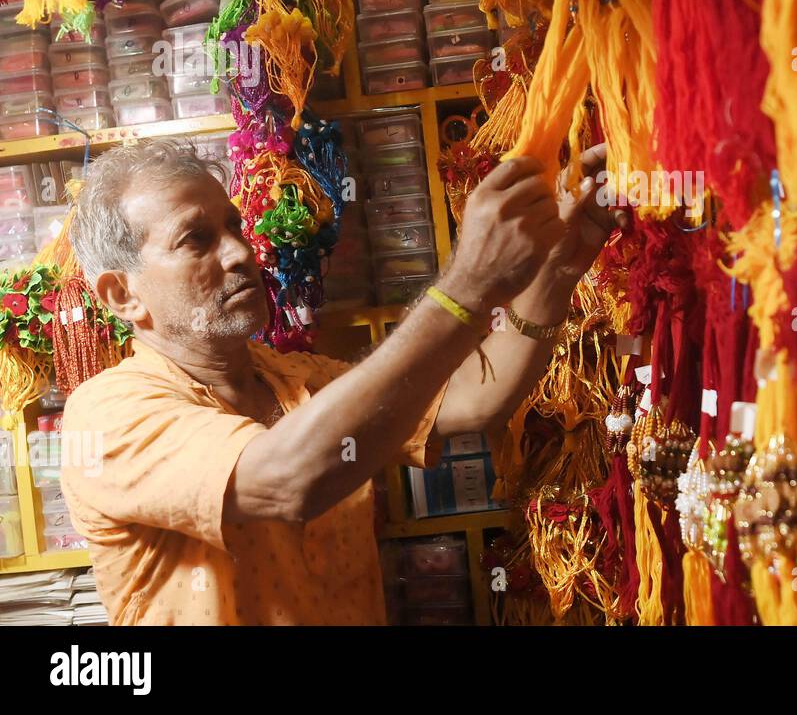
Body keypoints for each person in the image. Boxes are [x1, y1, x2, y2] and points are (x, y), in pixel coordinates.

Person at [60, 137, 617, 625]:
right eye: (195, 240)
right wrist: (467, 284)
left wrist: (561, 266)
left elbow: (475, 400)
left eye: (233, 224)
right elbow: (286, 480)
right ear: (121, 295)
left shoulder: (296, 377)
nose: (239, 252)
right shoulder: (108, 414)